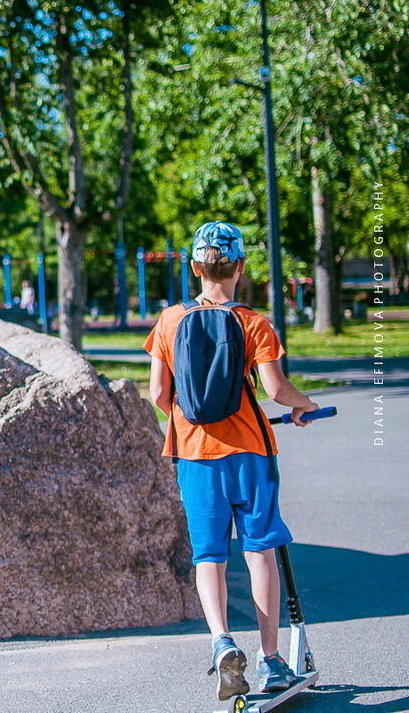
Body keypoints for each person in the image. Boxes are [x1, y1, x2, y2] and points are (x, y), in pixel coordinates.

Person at [145, 221, 319, 702]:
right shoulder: (253, 323)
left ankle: (222, 641)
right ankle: (270, 660)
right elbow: (277, 391)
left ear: (196, 267)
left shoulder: (170, 321)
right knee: (259, 549)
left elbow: (160, 393)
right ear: (240, 267)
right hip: (250, 452)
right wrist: (302, 406)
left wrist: (188, 421)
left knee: (209, 556)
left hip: (194, 456)